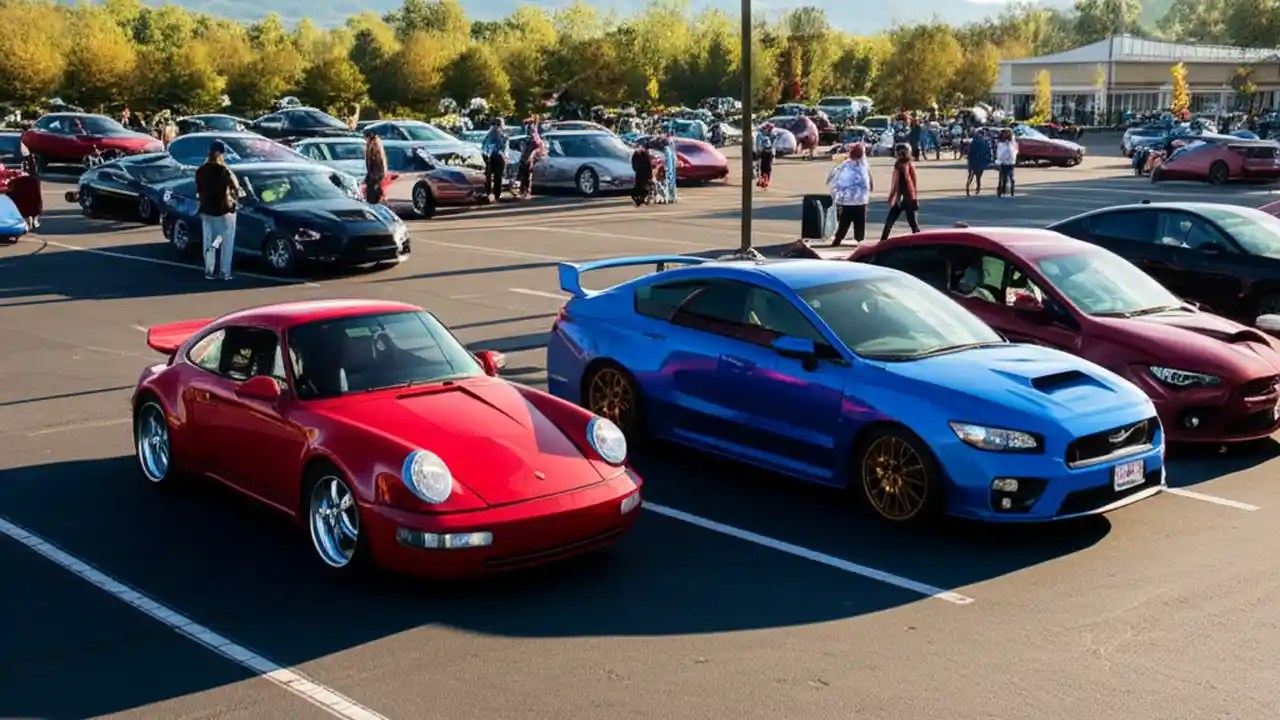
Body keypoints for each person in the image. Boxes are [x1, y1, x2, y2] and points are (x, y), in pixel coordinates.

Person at [194, 140, 241, 280]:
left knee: (210, 242)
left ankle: (209, 271)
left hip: (207, 210)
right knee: (226, 242)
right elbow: (235, 187)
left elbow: (199, 190)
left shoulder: (201, 170)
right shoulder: (224, 170)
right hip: (224, 210)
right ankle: (225, 272)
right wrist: (235, 200)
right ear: (221, 154)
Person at [826, 143, 872, 246]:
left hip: (847, 200)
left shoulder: (845, 165)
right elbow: (869, 179)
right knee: (860, 222)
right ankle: (859, 241)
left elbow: (834, 179)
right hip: (861, 200)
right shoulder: (864, 165)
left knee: (844, 221)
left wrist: (836, 195)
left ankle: (837, 240)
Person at [879, 143, 921, 241]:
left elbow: (896, 183)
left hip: (901, 197)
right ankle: (920, 242)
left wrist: (892, 196)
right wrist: (915, 198)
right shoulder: (910, 164)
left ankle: (882, 241)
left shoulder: (898, 165)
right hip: (910, 197)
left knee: (889, 222)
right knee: (914, 225)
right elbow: (914, 183)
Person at [481, 118, 509, 201]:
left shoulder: (489, 133)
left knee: (489, 176)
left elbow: (484, 145)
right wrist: (504, 156)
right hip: (498, 156)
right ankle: (497, 194)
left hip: (488, 156)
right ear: (500, 124)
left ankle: (488, 193)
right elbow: (501, 146)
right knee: (498, 176)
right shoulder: (499, 133)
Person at [518, 121, 544, 199]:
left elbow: (532, 151)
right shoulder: (534, 139)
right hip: (527, 159)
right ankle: (524, 192)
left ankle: (525, 192)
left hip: (528, 160)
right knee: (526, 177)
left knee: (526, 177)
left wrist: (528, 159)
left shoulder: (533, 140)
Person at [363, 130, 388, 204]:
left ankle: (376, 201)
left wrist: (376, 175)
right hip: (373, 174)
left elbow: (379, 161)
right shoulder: (371, 145)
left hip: (376, 174)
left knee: (373, 192)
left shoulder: (375, 145)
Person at [966, 129, 992, 197]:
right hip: (980, 161)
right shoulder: (985, 141)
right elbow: (988, 151)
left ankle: (968, 187)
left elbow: (970, 151)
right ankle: (977, 188)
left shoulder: (974, 141)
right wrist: (989, 160)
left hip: (973, 160)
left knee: (970, 176)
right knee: (978, 177)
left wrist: (969, 159)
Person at [996, 127, 1017, 197]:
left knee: (1012, 178)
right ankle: (1001, 190)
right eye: (1005, 133)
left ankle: (1011, 191)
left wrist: (1013, 158)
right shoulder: (1001, 143)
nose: (1006, 134)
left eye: (1008, 133)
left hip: (1011, 163)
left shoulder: (1012, 142)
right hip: (1003, 163)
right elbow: (1000, 153)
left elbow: (1015, 151)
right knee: (1003, 178)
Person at [631, 142, 654, 206]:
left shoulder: (636, 154)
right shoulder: (645, 154)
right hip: (644, 172)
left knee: (640, 186)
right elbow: (649, 164)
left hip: (639, 172)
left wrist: (635, 169)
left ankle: (640, 199)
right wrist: (650, 174)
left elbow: (633, 163)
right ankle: (642, 199)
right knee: (644, 187)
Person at [754, 123, 775, 189]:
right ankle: (763, 180)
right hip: (765, 152)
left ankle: (764, 180)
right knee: (764, 167)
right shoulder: (761, 134)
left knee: (766, 167)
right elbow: (758, 144)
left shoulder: (771, 134)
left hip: (767, 152)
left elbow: (773, 144)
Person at [663, 135, 678, 203]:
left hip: (671, 164)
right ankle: (671, 196)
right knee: (670, 176)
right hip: (670, 166)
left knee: (671, 176)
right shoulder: (669, 145)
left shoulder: (670, 144)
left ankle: (671, 196)